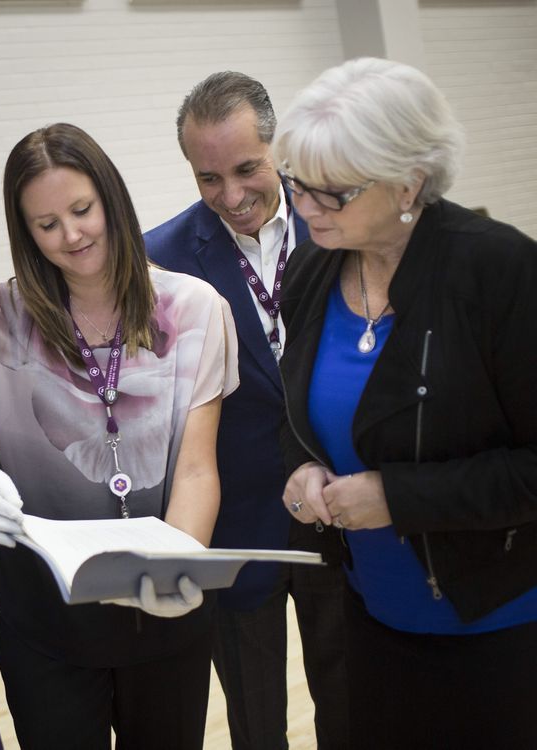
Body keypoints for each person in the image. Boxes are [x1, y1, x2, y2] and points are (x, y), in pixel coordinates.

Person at [0, 122, 238, 749]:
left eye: (81, 211)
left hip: (163, 609)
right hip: (44, 619)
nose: (71, 236)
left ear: (111, 199)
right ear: (25, 232)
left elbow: (195, 468)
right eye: (47, 225)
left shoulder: (194, 309)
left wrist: (174, 569)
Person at [274, 57, 537, 750]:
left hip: (500, 624)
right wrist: (301, 468)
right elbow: (302, 409)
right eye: (296, 184)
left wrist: (399, 497)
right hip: (373, 614)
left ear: (409, 182)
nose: (306, 209)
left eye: (333, 192)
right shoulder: (312, 267)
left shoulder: (498, 270)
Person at [144, 71, 348, 749]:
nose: (231, 196)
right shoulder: (160, 260)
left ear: (277, 147)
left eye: (245, 169)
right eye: (208, 178)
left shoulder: (339, 221)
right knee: (256, 727)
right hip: (234, 527)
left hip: (342, 514)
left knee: (354, 706)